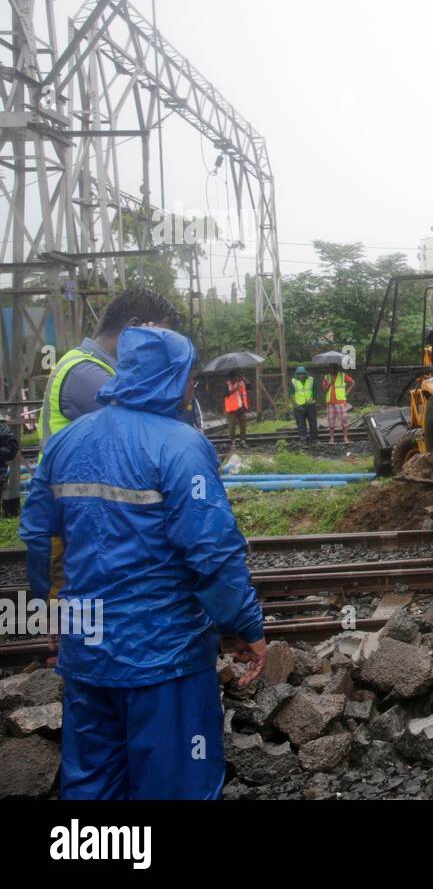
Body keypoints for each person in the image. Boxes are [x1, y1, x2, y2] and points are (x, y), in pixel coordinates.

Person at [21, 326, 266, 799]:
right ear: (172, 379)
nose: (193, 386)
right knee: (176, 784)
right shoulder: (181, 445)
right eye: (190, 376)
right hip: (164, 660)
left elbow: (36, 535)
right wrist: (245, 626)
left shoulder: (64, 443)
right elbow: (211, 553)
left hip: (87, 654)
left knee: (92, 782)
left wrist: (49, 611)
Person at [38, 288, 182, 449]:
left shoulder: (115, 369)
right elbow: (147, 431)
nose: (164, 349)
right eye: (162, 338)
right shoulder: (83, 372)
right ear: (134, 327)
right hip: (64, 474)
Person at [325, 361, 354, 445]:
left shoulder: (342, 375)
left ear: (337, 368)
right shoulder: (326, 377)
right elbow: (325, 390)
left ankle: (345, 437)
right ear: (329, 368)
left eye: (334, 368)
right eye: (331, 368)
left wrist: (347, 391)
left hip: (340, 401)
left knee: (344, 420)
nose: (332, 369)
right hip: (330, 402)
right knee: (331, 421)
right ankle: (331, 438)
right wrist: (331, 382)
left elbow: (353, 382)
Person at [292, 366, 318, 444]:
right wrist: (295, 404)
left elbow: (315, 390)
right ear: (297, 375)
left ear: (305, 374)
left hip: (310, 405)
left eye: (303, 374)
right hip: (299, 405)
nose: (301, 376)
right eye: (299, 374)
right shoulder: (293, 381)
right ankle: (303, 438)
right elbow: (291, 394)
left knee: (313, 422)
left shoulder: (311, 380)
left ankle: (314, 438)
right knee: (300, 423)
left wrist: (312, 397)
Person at [224, 371, 251, 448]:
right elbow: (224, 394)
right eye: (236, 377)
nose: (237, 378)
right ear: (231, 378)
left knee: (243, 424)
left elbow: (249, 386)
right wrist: (234, 390)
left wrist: (244, 379)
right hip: (231, 409)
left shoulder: (240, 383)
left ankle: (243, 441)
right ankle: (233, 442)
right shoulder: (227, 384)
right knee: (232, 426)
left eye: (238, 377)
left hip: (240, 407)